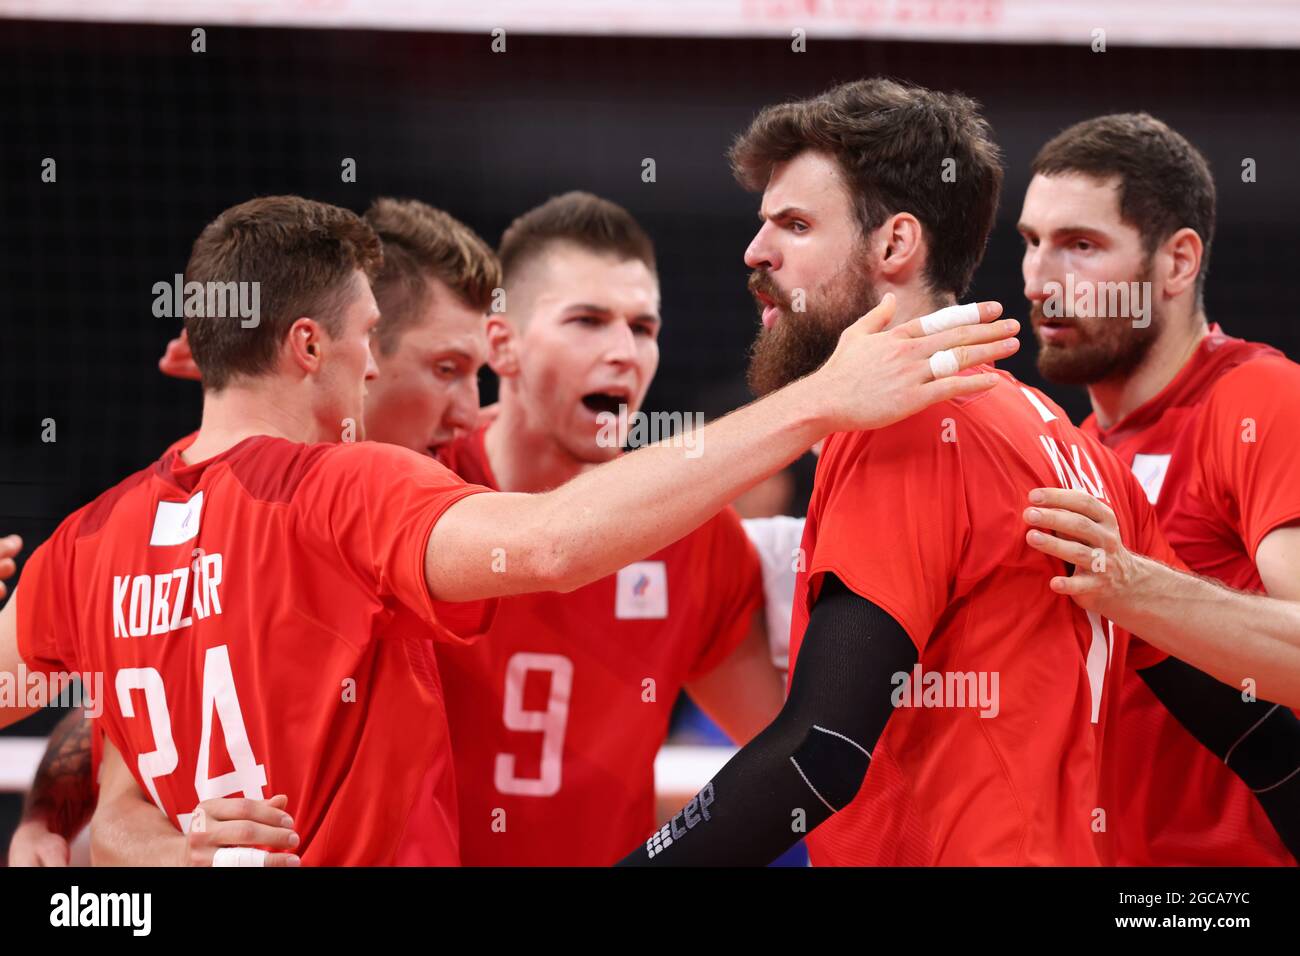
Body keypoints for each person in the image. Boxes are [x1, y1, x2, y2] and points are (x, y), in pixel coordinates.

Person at [0, 193, 1017, 865]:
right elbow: (548, 544)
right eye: (439, 368)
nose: (461, 401)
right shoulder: (361, 490)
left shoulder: (98, 534)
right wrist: (817, 404)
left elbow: (145, 677)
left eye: (645, 326)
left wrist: (80, 846)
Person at [620, 77, 1288, 867]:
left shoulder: (909, 422)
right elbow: (1263, 741)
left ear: (896, 245)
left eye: (794, 225)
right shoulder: (1071, 445)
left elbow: (820, 753)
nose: (755, 252)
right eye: (763, 224)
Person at [436, 192, 784, 864]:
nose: (624, 352)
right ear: (501, 346)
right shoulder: (412, 486)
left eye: (643, 328)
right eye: (588, 321)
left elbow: (784, 751)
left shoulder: (689, 530)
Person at [1016, 113, 1300, 864]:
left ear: (1176, 263)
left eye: (1081, 245)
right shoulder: (1071, 449)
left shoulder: (1261, 400)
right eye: (1030, 242)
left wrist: (1131, 582)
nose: (1040, 281)